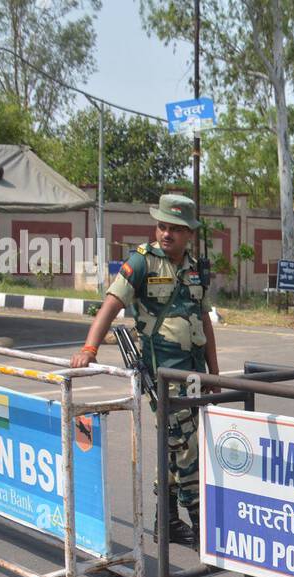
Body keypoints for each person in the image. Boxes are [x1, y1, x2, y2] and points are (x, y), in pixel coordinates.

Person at [69, 193, 220, 548]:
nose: (166, 234)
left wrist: (215, 372)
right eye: (162, 227)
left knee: (174, 444)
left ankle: (166, 521)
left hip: (194, 374)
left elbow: (203, 320)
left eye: (175, 229)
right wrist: (89, 348)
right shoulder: (142, 262)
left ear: (189, 234)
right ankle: (202, 528)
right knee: (187, 446)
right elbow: (111, 304)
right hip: (163, 373)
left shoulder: (195, 267)